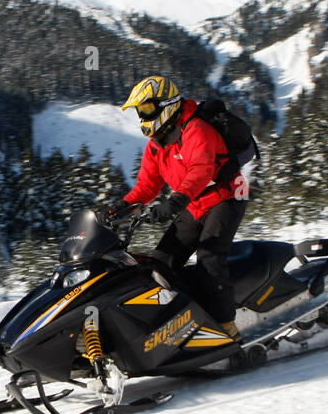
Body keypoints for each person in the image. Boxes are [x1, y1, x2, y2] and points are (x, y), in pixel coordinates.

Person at [103, 76, 248, 341]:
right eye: (140, 112)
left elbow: (201, 169)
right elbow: (147, 186)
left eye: (147, 109)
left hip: (225, 198)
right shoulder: (157, 145)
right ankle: (177, 323)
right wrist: (120, 208)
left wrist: (176, 202)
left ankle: (227, 328)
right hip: (194, 204)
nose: (143, 117)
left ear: (166, 105)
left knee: (209, 258)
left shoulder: (196, 130)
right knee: (160, 263)